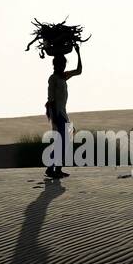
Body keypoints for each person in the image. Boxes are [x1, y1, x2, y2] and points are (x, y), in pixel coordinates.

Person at [44, 45, 82, 179]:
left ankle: (54, 169)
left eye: (64, 64)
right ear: (55, 65)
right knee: (62, 142)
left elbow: (79, 71)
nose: (62, 66)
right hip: (57, 113)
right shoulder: (53, 78)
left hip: (63, 113)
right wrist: (53, 117)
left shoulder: (63, 76)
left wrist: (78, 53)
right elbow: (50, 99)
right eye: (60, 64)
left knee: (65, 141)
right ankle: (52, 169)